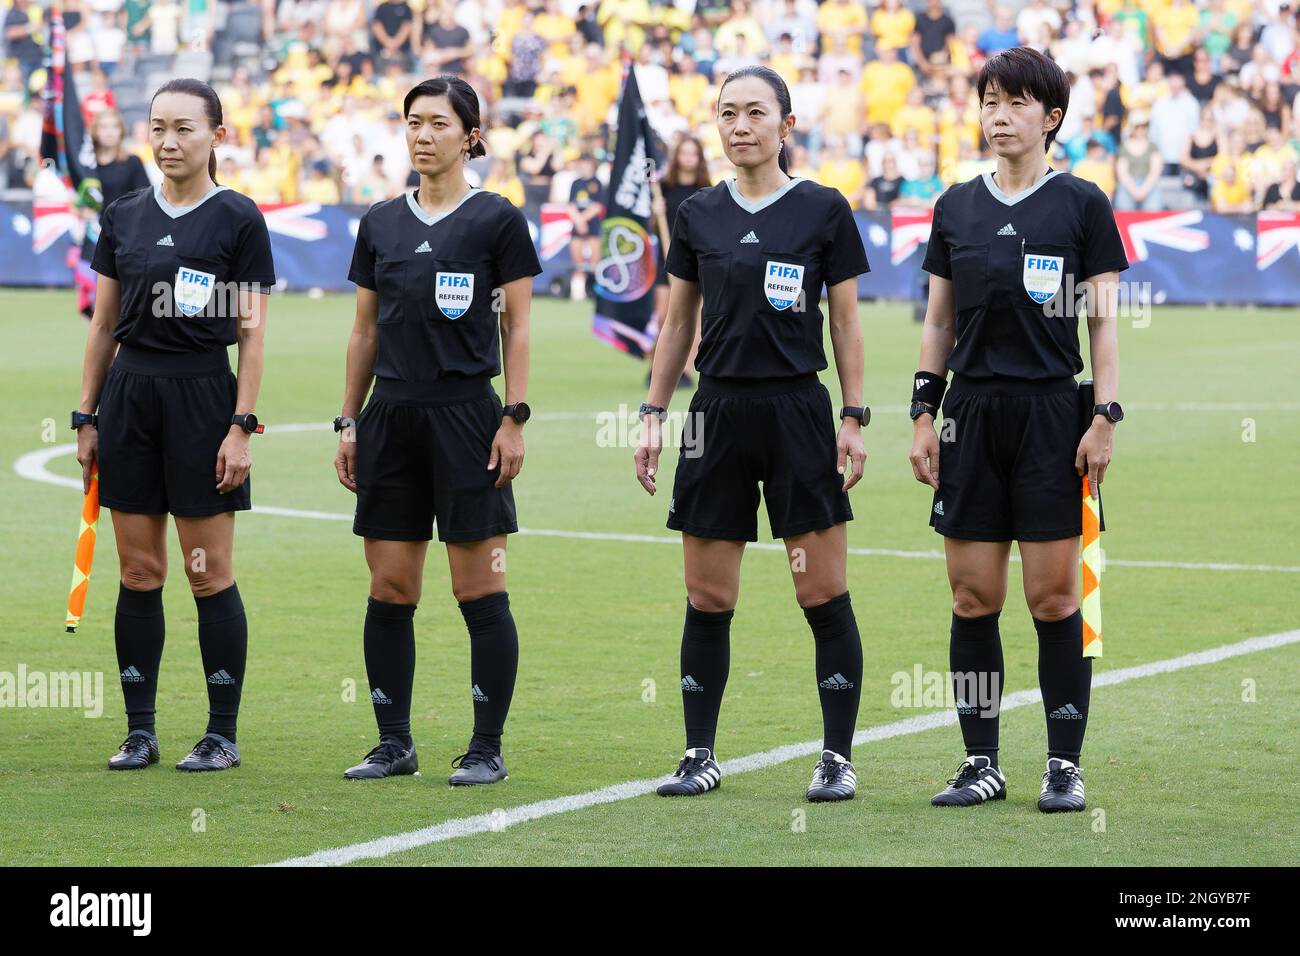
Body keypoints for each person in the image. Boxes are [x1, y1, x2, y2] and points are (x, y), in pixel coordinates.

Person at [634, 66, 872, 803]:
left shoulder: (824, 210)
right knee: (707, 597)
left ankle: (836, 757)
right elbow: (677, 321)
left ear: (787, 125)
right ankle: (698, 752)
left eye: (756, 113)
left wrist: (854, 415)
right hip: (716, 414)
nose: (740, 126)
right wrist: (653, 413)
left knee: (822, 592)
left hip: (799, 411)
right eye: (728, 113)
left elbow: (845, 321)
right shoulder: (698, 213)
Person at [908, 47, 1128, 813]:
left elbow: (1103, 325)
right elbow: (939, 319)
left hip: (1049, 414)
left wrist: (1104, 414)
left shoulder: (1082, 204)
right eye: (989, 101)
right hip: (969, 414)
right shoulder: (955, 206)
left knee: (1055, 600)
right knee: (972, 598)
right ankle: (980, 762)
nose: (998, 115)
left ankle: (1063, 764)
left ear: (1051, 117)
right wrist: (923, 412)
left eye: (1016, 103)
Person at [334, 76, 542, 786]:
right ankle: (394, 743)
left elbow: (517, 329)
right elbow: (363, 332)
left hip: (466, 416)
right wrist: (348, 421)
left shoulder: (498, 220)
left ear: (470, 137)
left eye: (438, 124)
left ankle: (486, 746)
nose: (422, 136)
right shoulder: (381, 221)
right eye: (413, 123)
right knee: (391, 587)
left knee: (477, 588)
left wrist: (514, 415)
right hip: (389, 417)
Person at [74, 78, 276, 773]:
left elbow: (251, 335)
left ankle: (221, 733)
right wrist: (87, 415)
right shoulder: (124, 213)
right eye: (158, 126)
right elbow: (103, 323)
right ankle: (141, 731)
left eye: (185, 128)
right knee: (137, 570)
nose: (168, 140)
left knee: (207, 573)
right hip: (131, 397)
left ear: (217, 136)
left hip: (201, 398)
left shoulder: (239, 219)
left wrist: (241, 425)